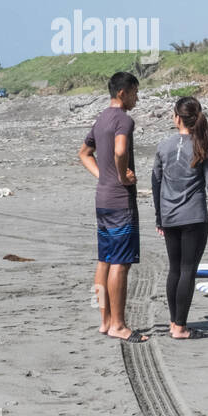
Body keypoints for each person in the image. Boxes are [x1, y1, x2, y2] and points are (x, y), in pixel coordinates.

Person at [151, 96, 208, 339]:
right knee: (187, 270)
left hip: (169, 216)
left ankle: (175, 323)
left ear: (177, 118)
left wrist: (158, 217)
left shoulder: (164, 145)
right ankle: (180, 327)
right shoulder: (202, 146)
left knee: (174, 269)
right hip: (194, 218)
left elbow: (155, 182)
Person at [78, 71, 146, 342]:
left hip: (102, 199)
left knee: (105, 260)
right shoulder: (123, 120)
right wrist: (120, 175)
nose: (136, 98)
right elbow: (120, 151)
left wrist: (103, 176)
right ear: (122, 93)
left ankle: (105, 321)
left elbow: (84, 154)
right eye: (135, 92)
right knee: (121, 263)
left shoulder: (100, 119)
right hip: (119, 201)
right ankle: (119, 325)